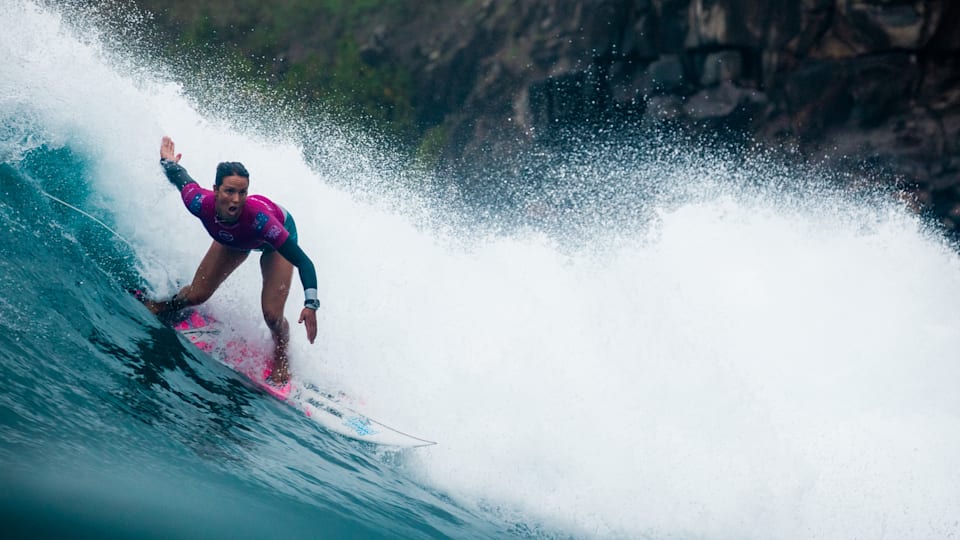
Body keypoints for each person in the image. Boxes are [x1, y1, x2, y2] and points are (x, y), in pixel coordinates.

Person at [143, 136, 319, 385]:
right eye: (229, 191)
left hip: (271, 243)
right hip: (235, 239)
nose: (236, 200)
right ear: (215, 191)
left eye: (242, 192)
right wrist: (167, 161)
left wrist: (311, 303)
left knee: (271, 314)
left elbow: (304, 262)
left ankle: (281, 355)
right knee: (195, 296)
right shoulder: (199, 203)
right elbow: (181, 178)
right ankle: (166, 306)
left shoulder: (261, 220)